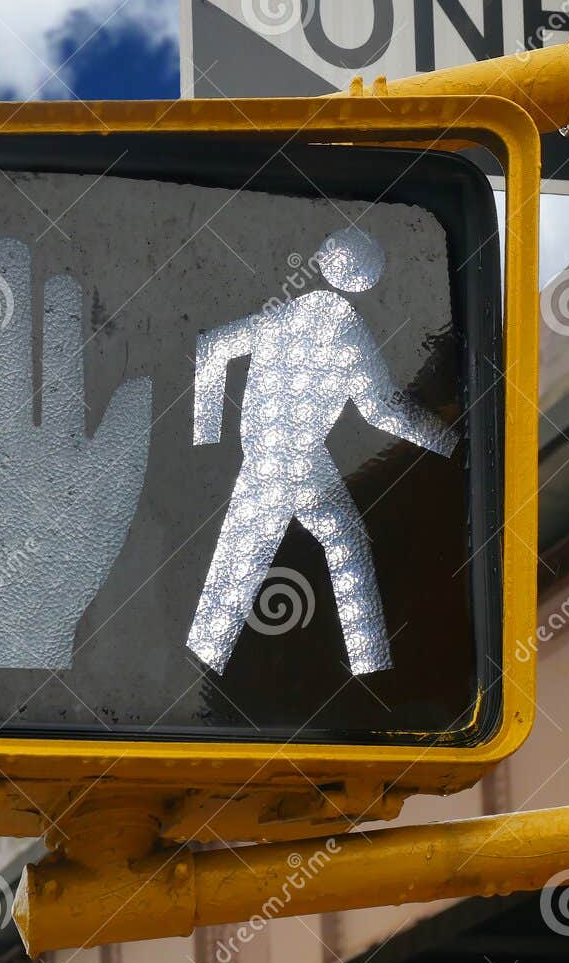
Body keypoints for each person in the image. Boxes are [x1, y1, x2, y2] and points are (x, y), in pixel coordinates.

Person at [188, 224, 458, 676]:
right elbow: (382, 410)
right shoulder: (343, 329)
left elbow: (212, 346)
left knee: (261, 562)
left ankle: (367, 666)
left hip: (277, 458)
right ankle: (370, 668)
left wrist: (208, 437)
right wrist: (449, 442)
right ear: (365, 278)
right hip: (289, 461)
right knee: (319, 549)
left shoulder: (279, 316)